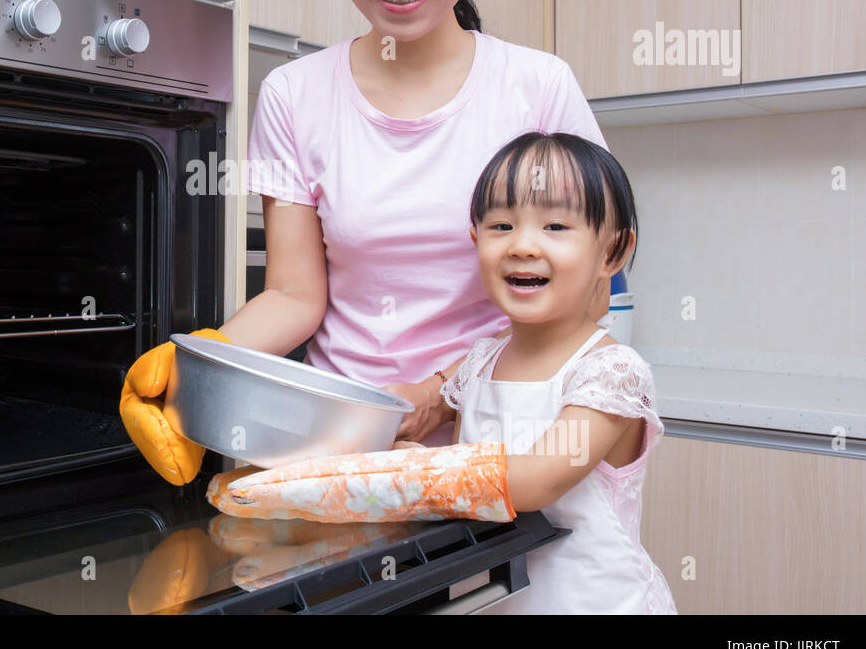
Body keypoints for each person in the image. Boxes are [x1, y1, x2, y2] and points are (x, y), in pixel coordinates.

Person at [119, 0, 610, 484]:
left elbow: (591, 286)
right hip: (335, 452)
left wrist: (441, 394)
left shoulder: (537, 89)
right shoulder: (295, 94)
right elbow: (294, 295)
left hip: (499, 451)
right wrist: (203, 362)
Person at [209, 131, 677, 614]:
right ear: (475, 240)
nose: (522, 245)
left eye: (555, 226)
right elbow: (425, 439)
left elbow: (538, 480)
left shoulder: (612, 372)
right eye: (500, 226)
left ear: (613, 253)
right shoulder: (479, 363)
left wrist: (413, 473)